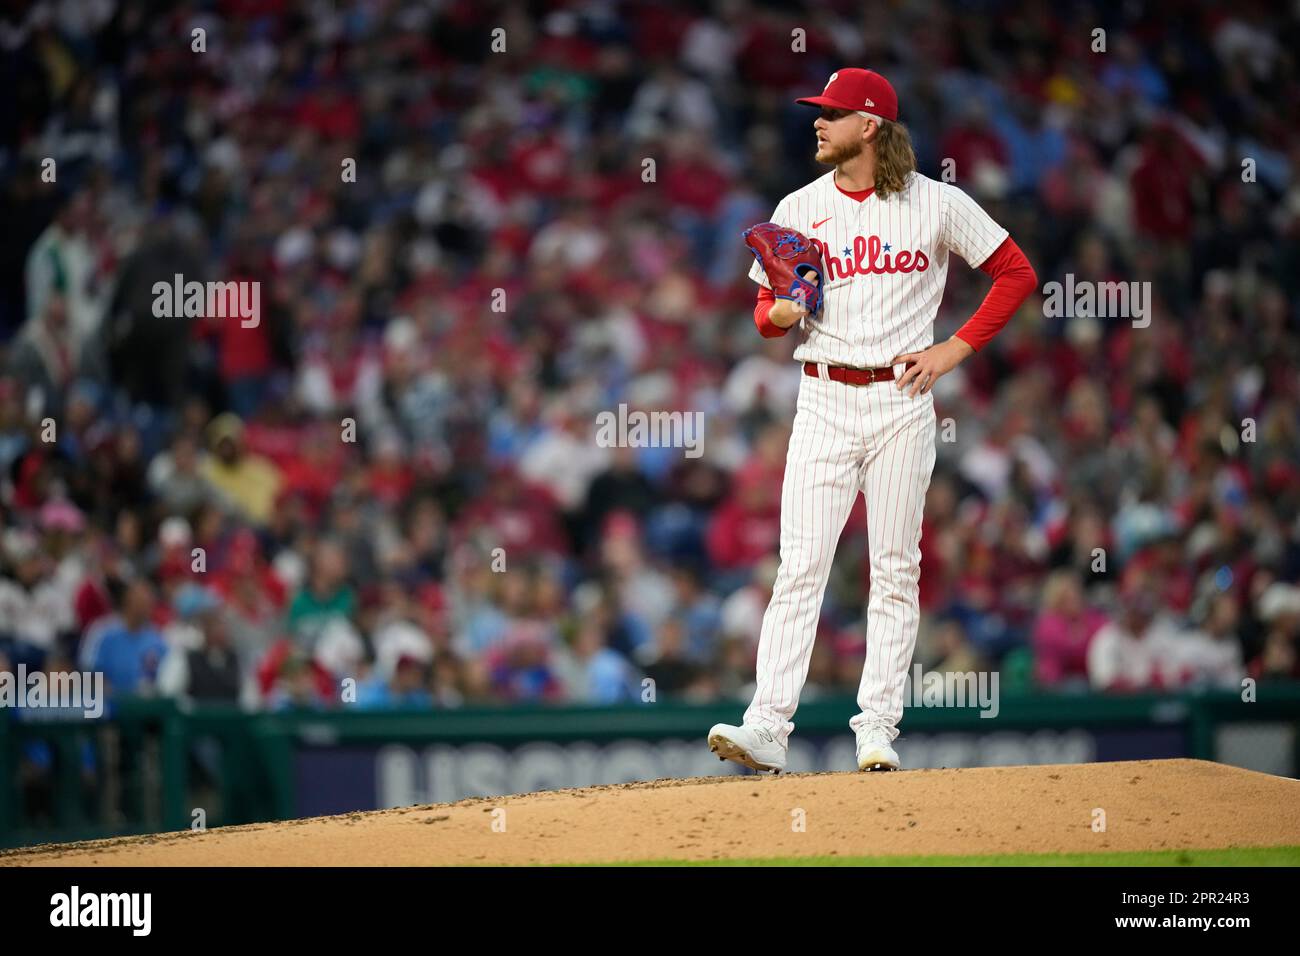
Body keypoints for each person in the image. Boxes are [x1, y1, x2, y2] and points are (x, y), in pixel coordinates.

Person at [708, 69, 1036, 773]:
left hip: (901, 400)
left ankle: (878, 729)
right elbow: (765, 315)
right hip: (823, 396)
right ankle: (767, 725)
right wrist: (783, 312)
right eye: (817, 112)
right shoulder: (799, 203)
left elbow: (1016, 272)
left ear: (872, 125)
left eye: (831, 113)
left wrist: (955, 349)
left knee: (894, 571)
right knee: (800, 567)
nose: (817, 123)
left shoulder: (935, 204)